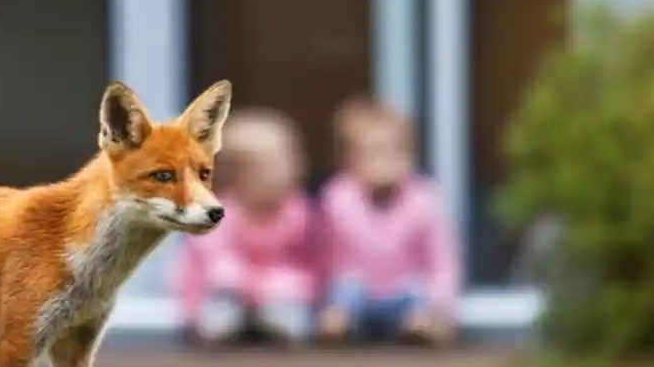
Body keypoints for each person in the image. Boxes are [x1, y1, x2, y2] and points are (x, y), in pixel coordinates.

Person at [172, 108, 320, 347]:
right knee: (224, 288)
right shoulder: (219, 215)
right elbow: (202, 265)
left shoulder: (300, 212)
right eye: (274, 165)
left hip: (278, 296)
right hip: (230, 294)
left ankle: (276, 328)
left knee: (288, 295)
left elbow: (312, 263)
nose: (289, 171)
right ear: (240, 174)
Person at [318, 97, 459, 346]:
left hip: (402, 294)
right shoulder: (338, 198)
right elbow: (325, 257)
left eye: (396, 150)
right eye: (374, 152)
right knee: (346, 287)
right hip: (357, 296)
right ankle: (337, 329)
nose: (386, 161)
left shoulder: (424, 199)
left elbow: (440, 261)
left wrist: (442, 304)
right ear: (349, 159)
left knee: (417, 291)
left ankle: (420, 329)